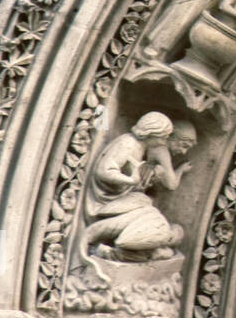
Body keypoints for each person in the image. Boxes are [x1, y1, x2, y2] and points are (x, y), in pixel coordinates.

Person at [82, 112, 194, 264]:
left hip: (120, 197)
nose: (164, 142)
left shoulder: (140, 147)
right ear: (150, 133)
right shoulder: (128, 144)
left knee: (146, 205)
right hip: (104, 202)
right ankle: (116, 249)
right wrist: (131, 180)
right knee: (151, 216)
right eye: (163, 137)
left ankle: (129, 246)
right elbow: (104, 171)